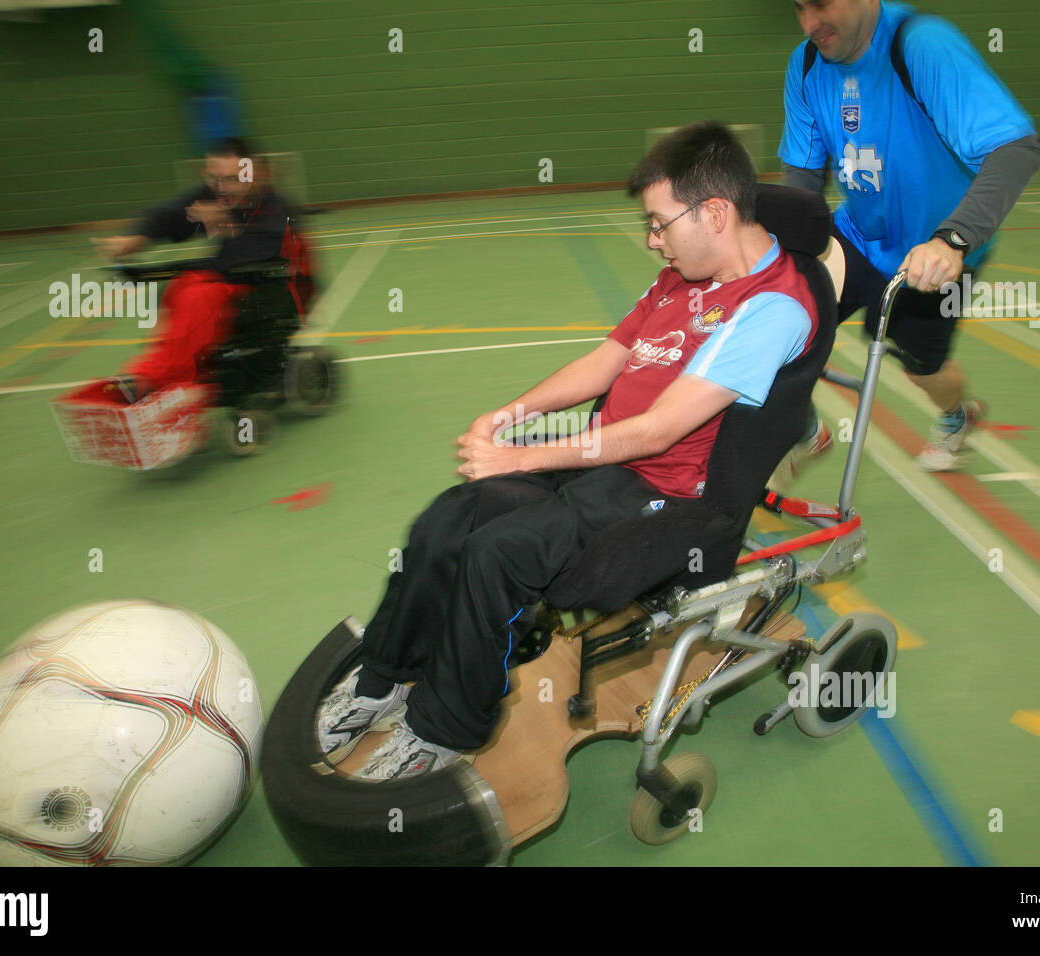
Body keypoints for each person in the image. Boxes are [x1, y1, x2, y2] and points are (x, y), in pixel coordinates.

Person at [316, 121, 822, 781]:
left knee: (498, 554)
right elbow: (605, 362)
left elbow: (657, 432)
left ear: (717, 214)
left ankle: (442, 734)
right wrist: (509, 417)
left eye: (660, 224)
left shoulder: (770, 307)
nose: (652, 240)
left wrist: (520, 458)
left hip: (660, 497)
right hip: (602, 461)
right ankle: (384, 681)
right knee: (445, 523)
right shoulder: (681, 275)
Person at [776, 0, 1040, 471]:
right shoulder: (806, 63)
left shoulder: (922, 45)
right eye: (799, 7)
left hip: (937, 252)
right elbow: (802, 175)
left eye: (820, 4)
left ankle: (956, 414)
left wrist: (954, 240)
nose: (809, 23)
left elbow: (1017, 148)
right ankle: (802, 430)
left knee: (924, 368)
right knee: (775, 313)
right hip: (859, 234)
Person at [94, 137, 313, 402]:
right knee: (181, 287)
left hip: (267, 287)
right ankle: (167, 371)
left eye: (231, 179)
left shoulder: (278, 208)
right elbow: (170, 214)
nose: (221, 187)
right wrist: (135, 239)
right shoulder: (220, 194)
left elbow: (253, 257)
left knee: (197, 295)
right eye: (215, 178)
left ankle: (151, 377)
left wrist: (229, 224)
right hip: (228, 280)